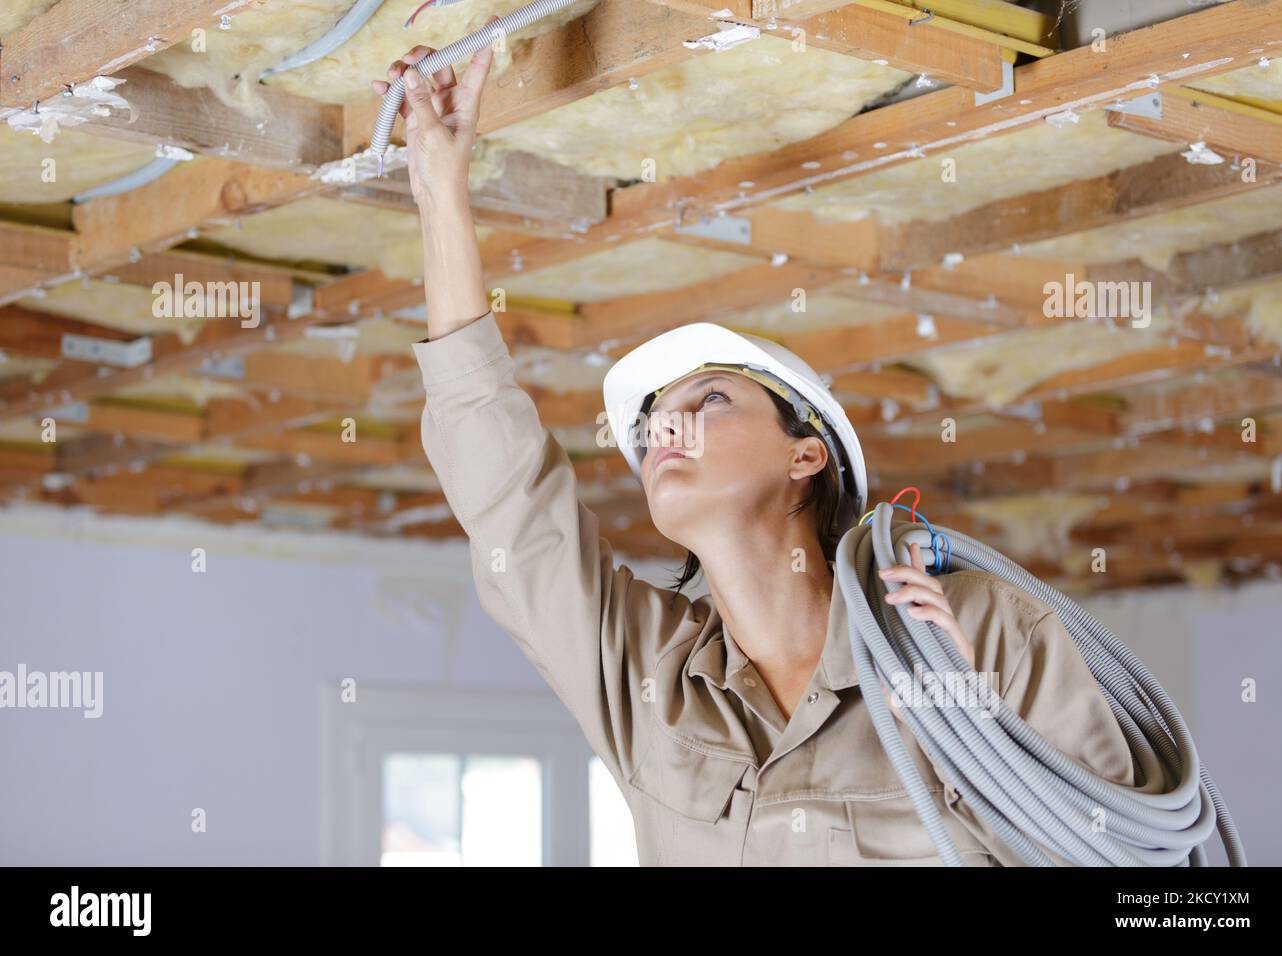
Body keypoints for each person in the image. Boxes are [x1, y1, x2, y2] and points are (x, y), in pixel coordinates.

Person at [374, 38, 1140, 866]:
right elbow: (504, 493)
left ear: (804, 457)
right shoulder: (647, 677)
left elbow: (1130, 872)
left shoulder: (979, 629)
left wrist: (971, 715)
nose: (664, 428)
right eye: (653, 423)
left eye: (707, 399)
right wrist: (438, 191)